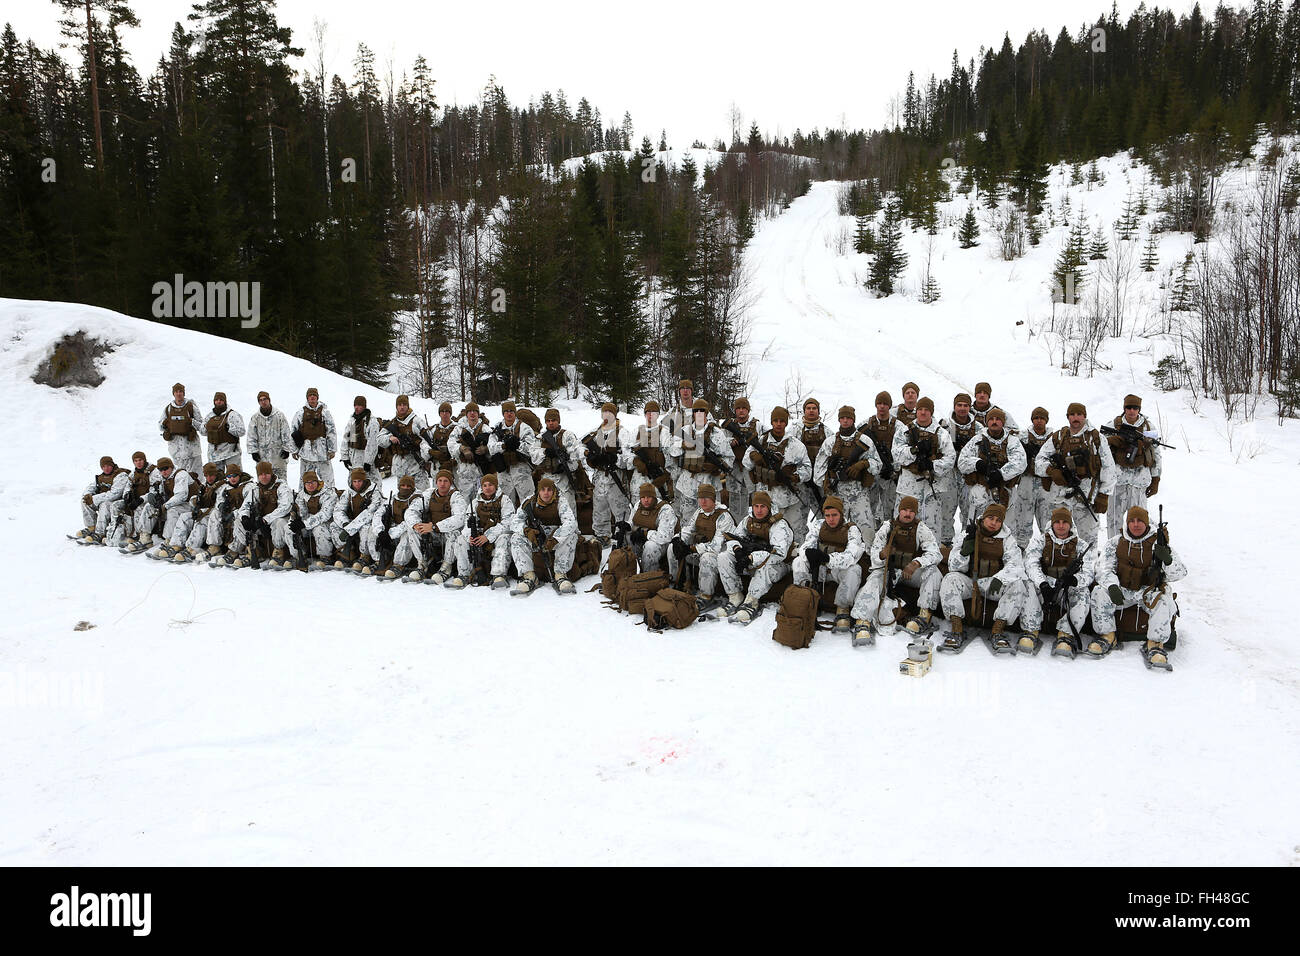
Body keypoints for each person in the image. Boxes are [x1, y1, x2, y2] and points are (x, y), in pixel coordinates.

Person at [1088, 505, 1186, 668]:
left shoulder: (1158, 544)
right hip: (1123, 591)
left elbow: (1180, 573)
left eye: (1140, 521)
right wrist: (1112, 586)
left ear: (1146, 523)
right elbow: (1103, 567)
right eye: (1131, 521)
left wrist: (1167, 560)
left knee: (1164, 600)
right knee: (1099, 591)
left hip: (1148, 593)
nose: (1135, 524)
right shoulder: (1116, 542)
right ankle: (1107, 636)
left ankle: (1155, 645)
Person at [851, 495, 944, 640]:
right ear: (899, 511)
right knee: (873, 581)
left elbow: (936, 554)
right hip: (889, 570)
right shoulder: (887, 527)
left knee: (934, 572)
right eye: (905, 510)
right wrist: (883, 554)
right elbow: (874, 554)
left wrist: (916, 563)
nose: (908, 514)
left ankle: (924, 616)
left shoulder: (921, 529)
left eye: (911, 511)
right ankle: (862, 621)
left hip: (910, 573)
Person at [939, 503, 1027, 651]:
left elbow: (1016, 564)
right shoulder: (969, 533)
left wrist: (1001, 578)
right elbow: (953, 566)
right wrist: (964, 552)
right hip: (970, 581)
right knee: (950, 579)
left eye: (998, 520)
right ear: (984, 518)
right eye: (991, 518)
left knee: (1018, 585)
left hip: (992, 584)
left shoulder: (1007, 538)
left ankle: (998, 630)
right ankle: (956, 629)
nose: (994, 523)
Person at [1033, 401, 1116, 546]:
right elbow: (1039, 461)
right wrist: (1052, 472)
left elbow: (1109, 468)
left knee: (1088, 542)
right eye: (1072, 414)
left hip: (1087, 499)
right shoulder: (1059, 437)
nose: (1075, 418)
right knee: (1057, 540)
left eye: (1079, 414)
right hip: (1060, 500)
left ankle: (1088, 568)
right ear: (1068, 417)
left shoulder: (1096, 438)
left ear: (1085, 416)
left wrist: (1104, 495)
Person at [1019, 507, 1095, 656]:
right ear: (1052, 524)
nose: (1061, 526)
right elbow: (1030, 564)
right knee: (1028, 584)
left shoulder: (1081, 545)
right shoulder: (1040, 541)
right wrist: (1043, 583)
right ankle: (1030, 630)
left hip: (1067, 587)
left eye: (1065, 522)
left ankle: (1066, 635)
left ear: (1070, 525)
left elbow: (1089, 571)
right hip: (1045, 584)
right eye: (1057, 522)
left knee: (1083, 593)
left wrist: (1075, 580)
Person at [715, 490, 795, 624]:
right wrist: (738, 550)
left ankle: (751, 602)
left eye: (762, 507)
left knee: (766, 565)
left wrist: (752, 557)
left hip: (778, 564)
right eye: (756, 506)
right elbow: (733, 537)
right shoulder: (748, 520)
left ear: (768, 508)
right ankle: (735, 597)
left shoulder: (779, 525)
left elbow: (779, 554)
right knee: (724, 556)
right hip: (752, 559)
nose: (759, 510)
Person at [791, 496, 865, 633]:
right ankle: (802, 598)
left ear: (841, 514)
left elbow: (851, 556)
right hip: (819, 571)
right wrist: (809, 554)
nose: (831, 519)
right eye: (827, 515)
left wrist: (828, 559)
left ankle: (842, 608)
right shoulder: (819, 525)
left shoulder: (851, 530)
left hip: (838, 572)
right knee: (798, 562)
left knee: (855, 569)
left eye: (835, 515)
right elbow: (805, 546)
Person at [743, 405, 813, 545]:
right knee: (767, 535)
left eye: (782, 421)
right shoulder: (761, 441)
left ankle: (796, 561)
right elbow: (746, 463)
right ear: (771, 422)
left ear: (786, 423)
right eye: (776, 421)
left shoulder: (796, 445)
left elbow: (807, 469)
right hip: (766, 502)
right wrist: (753, 455)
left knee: (795, 533)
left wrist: (795, 477)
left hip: (790, 500)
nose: (779, 424)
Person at [813, 404, 881, 545]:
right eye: (842, 418)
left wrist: (864, 464)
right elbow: (818, 471)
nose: (845, 421)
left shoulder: (865, 441)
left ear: (853, 420)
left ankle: (868, 559)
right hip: (837, 494)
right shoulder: (830, 442)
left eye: (848, 418)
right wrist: (828, 482)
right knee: (837, 529)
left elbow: (878, 465)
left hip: (859, 492)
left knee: (866, 529)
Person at [891, 397, 956, 534]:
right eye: (920, 409)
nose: (923, 412)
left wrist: (932, 465)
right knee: (903, 525)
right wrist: (913, 451)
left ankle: (931, 554)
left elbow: (950, 458)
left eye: (927, 410)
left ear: (931, 412)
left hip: (932, 487)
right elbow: (896, 453)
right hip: (908, 487)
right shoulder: (905, 431)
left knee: (931, 528)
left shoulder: (942, 434)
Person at [670, 398, 735, 529]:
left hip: (710, 483)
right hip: (688, 483)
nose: (699, 413)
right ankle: (686, 546)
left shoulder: (717, 433)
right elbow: (672, 451)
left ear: (706, 413)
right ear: (693, 413)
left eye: (702, 411)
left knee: (711, 520)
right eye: (696, 411)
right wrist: (683, 444)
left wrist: (717, 468)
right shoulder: (685, 431)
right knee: (687, 520)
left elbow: (729, 458)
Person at [667, 483, 735, 606]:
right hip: (701, 548)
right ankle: (677, 583)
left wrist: (691, 548)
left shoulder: (723, 516)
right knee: (673, 548)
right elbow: (689, 529)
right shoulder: (699, 512)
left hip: (722, 556)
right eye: (700, 498)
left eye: (706, 498)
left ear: (713, 500)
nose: (703, 501)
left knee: (707, 557)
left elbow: (716, 546)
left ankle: (706, 596)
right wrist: (677, 539)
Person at [510, 477, 580, 595]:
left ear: (554, 491)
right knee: (516, 538)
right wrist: (527, 531)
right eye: (543, 490)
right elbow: (514, 522)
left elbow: (571, 522)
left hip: (555, 538)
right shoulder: (529, 502)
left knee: (571, 535)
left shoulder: (561, 501)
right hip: (536, 538)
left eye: (549, 490)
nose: (546, 493)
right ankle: (529, 577)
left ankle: (560, 575)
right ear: (538, 491)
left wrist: (555, 539)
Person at [1105, 394, 1164, 531]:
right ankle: (1113, 550)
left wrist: (1156, 479)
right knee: (1114, 521)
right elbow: (1101, 451)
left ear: (1139, 409)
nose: (1132, 411)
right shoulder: (1113, 425)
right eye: (1129, 407)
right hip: (1117, 482)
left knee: (1139, 522)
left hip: (1139, 482)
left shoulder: (1148, 427)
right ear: (1124, 408)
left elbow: (1156, 455)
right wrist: (1111, 441)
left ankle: (1137, 550)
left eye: (1135, 408)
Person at [447, 472, 516, 589]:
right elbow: (467, 522)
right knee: (461, 539)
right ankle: (464, 574)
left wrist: (488, 536)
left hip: (495, 536)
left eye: (490, 485)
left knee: (505, 538)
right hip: (479, 536)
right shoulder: (475, 502)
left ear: (496, 486)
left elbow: (508, 522)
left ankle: (498, 575)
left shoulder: (504, 500)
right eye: (485, 485)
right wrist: (471, 536)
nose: (487, 488)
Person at [957, 406, 1027, 519]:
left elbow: (1020, 462)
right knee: (977, 528)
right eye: (991, 419)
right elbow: (962, 462)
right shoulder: (977, 440)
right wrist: (978, 464)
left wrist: (1001, 473)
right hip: (980, 493)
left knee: (1007, 529)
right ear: (987, 422)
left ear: (1003, 422)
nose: (994, 422)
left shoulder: (1012, 441)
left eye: (998, 419)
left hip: (1005, 491)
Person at [400, 468, 467, 582]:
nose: (442, 484)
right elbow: (411, 510)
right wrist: (416, 524)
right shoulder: (428, 494)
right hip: (432, 533)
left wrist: (435, 527)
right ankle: (422, 564)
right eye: (440, 480)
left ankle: (446, 567)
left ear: (450, 483)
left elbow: (459, 518)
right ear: (436, 482)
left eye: (446, 481)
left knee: (453, 532)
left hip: (447, 535)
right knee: (411, 529)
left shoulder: (456, 497)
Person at [581, 403, 633, 545]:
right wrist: (589, 455)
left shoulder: (622, 432)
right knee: (599, 511)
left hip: (615, 478)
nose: (607, 415)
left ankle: (624, 540)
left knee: (621, 511)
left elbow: (629, 459)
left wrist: (616, 459)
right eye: (605, 412)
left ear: (615, 415)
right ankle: (601, 538)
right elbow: (579, 448)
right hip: (599, 479)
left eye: (610, 412)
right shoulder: (595, 432)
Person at [230, 460, 293, 569]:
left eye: (266, 474)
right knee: (239, 521)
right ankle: (253, 551)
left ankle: (279, 552)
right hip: (261, 523)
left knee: (279, 522)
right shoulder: (255, 489)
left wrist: (265, 519)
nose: (264, 477)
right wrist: (245, 517)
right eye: (261, 474)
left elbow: (285, 507)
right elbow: (245, 506)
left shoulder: (282, 487)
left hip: (277, 522)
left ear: (271, 473)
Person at [938, 392, 980, 546]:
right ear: (954, 406)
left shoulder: (978, 428)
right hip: (949, 475)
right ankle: (945, 542)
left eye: (966, 405)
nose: (962, 408)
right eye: (959, 405)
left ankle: (967, 542)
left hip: (969, 476)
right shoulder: (945, 425)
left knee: (969, 510)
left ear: (970, 407)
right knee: (946, 510)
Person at [1009, 406, 1053, 547]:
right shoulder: (1022, 436)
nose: (1039, 421)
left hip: (1046, 482)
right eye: (1036, 418)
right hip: (1026, 481)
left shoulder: (1054, 438)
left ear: (1046, 420)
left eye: (1042, 418)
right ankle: (1021, 547)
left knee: (1047, 518)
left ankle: (1049, 548)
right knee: (1022, 517)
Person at [529, 408, 584, 514]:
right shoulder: (540, 438)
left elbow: (577, 454)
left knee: (569, 510)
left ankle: (572, 530)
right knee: (548, 510)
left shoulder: (567, 436)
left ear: (558, 421)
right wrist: (545, 452)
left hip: (564, 479)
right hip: (546, 479)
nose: (551, 423)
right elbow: (533, 456)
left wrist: (567, 457)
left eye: (553, 420)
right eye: (548, 421)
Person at [368, 474, 422, 578]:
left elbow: (410, 522)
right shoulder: (393, 498)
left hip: (406, 530)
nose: (405, 488)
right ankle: (378, 561)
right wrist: (380, 532)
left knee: (407, 534)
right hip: (392, 530)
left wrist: (390, 534)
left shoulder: (417, 500)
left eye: (408, 486)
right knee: (372, 529)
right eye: (403, 485)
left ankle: (398, 565)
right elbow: (378, 514)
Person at [617, 482, 679, 573]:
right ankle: (626, 572)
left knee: (651, 546)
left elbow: (665, 537)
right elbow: (632, 522)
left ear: (654, 497)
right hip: (642, 539)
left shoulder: (665, 509)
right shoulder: (639, 505)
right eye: (643, 497)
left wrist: (645, 533)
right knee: (624, 536)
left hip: (663, 544)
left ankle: (648, 576)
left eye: (649, 497)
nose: (646, 500)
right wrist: (627, 526)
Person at [283, 470, 338, 570]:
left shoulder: (329, 494)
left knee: (319, 528)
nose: (310, 485)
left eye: (313, 482)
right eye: (307, 483)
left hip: (326, 523)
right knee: (289, 528)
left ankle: (325, 556)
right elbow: (302, 513)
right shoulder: (301, 495)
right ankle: (299, 556)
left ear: (318, 482)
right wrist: (295, 520)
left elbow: (325, 515)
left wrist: (304, 524)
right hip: (307, 523)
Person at [332, 467, 384, 572]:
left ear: (364, 481)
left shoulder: (374, 493)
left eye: (359, 481)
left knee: (365, 528)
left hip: (370, 523)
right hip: (352, 523)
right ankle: (347, 553)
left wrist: (350, 528)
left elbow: (369, 513)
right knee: (333, 525)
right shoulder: (349, 492)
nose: (357, 484)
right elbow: (338, 510)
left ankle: (365, 556)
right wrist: (345, 523)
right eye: (354, 481)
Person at [140, 457, 193, 559]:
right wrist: (147, 499)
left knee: (172, 510)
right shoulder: (163, 478)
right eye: (160, 469)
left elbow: (182, 495)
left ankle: (169, 541)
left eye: (166, 468)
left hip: (188, 504)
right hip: (174, 503)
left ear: (171, 467)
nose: (163, 471)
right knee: (149, 507)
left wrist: (165, 506)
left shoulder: (181, 474)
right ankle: (145, 538)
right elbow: (156, 491)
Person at [860, 391, 899, 527]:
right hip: (871, 473)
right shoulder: (866, 425)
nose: (882, 406)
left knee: (890, 507)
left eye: (885, 404)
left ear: (889, 406)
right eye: (879, 403)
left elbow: (904, 447)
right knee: (869, 507)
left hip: (890, 474)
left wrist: (894, 468)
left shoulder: (898, 426)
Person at [488, 400, 538, 507]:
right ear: (503, 413)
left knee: (528, 500)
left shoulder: (524, 428)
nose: (509, 413)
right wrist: (503, 445)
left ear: (515, 413)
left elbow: (532, 449)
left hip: (521, 468)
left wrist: (518, 445)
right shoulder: (498, 428)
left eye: (511, 411)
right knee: (506, 502)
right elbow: (491, 447)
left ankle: (530, 522)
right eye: (506, 411)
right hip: (504, 470)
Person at [170, 463, 222, 562]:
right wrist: (195, 501)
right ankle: (176, 544)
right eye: (206, 475)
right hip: (205, 513)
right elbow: (195, 499)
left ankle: (192, 548)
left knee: (201, 520)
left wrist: (201, 511)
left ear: (215, 474)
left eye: (211, 475)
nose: (209, 478)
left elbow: (219, 506)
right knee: (184, 517)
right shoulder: (205, 485)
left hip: (216, 516)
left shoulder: (222, 485)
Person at [630, 401, 676, 508]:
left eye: (654, 412)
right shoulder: (637, 432)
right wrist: (635, 461)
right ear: (645, 414)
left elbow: (670, 456)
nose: (651, 414)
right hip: (639, 483)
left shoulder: (664, 432)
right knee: (638, 513)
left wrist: (665, 476)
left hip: (657, 481)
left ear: (658, 414)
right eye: (648, 412)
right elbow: (626, 454)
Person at [379, 394, 429, 492]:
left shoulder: (416, 421)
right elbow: (379, 438)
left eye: (404, 404)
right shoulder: (393, 423)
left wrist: (426, 457)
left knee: (422, 495)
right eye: (399, 405)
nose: (402, 407)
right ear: (396, 407)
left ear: (408, 406)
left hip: (416, 464)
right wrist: (390, 438)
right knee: (403, 495)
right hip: (400, 467)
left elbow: (427, 439)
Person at [207, 463, 253, 566]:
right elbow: (219, 501)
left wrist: (233, 513)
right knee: (214, 513)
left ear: (239, 476)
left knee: (238, 521)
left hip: (244, 516)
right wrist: (221, 506)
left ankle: (234, 550)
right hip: (229, 516)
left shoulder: (248, 486)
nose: (232, 479)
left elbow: (249, 506)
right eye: (229, 476)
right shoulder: (225, 487)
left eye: (234, 476)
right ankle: (214, 546)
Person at [291, 387, 337, 490]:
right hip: (306, 452)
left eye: (314, 395)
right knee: (305, 479)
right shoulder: (300, 413)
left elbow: (331, 431)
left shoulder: (325, 412)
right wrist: (294, 450)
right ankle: (302, 500)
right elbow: (293, 431)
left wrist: (332, 449)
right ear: (307, 398)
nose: (312, 397)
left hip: (322, 452)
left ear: (317, 397)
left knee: (327, 479)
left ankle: (331, 497)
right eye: (310, 395)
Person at [76, 455, 129, 544]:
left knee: (104, 504)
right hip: (103, 500)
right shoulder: (101, 477)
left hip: (118, 502)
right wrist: (87, 495)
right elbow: (91, 487)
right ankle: (91, 527)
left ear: (112, 465)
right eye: (103, 466)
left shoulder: (120, 475)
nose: (106, 468)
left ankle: (100, 532)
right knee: (84, 501)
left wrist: (93, 499)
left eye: (108, 466)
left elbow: (114, 494)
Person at [720, 397, 762, 505]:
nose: (741, 410)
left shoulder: (757, 425)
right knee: (735, 503)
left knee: (757, 501)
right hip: (734, 469)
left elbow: (764, 442)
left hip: (752, 470)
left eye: (744, 408)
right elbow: (720, 443)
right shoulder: (729, 427)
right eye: (738, 408)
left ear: (748, 410)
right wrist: (731, 442)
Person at [246, 391, 293, 484]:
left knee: (281, 482)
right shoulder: (255, 418)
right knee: (264, 482)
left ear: (269, 400)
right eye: (261, 400)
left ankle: (283, 498)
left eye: (265, 399)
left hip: (278, 456)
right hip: (262, 456)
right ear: (258, 402)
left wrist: (286, 449)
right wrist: (253, 451)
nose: (263, 402)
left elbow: (286, 433)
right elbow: (251, 435)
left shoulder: (279, 415)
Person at [114, 451, 157, 550]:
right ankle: (134, 534)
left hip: (150, 500)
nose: (138, 463)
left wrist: (142, 499)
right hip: (137, 499)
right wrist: (126, 495)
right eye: (136, 461)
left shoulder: (153, 471)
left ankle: (145, 538)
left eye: (140, 460)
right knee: (119, 506)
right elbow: (127, 486)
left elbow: (154, 491)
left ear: (144, 460)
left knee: (141, 507)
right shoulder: (134, 473)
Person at [158, 382, 203, 475]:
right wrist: (165, 423)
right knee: (180, 477)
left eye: (181, 391)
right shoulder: (169, 409)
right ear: (173, 393)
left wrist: (191, 422)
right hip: (176, 452)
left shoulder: (191, 407)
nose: (179, 394)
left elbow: (201, 426)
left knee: (197, 477)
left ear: (184, 393)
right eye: (176, 392)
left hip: (192, 451)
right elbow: (160, 426)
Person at [789, 397, 828, 488]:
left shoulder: (826, 431)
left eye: (814, 408)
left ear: (818, 411)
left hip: (820, 477)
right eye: (808, 408)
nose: (811, 411)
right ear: (804, 411)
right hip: (800, 477)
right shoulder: (794, 429)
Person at [203, 390, 245, 472]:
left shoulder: (232, 415)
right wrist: (207, 427)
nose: (218, 402)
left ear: (225, 401)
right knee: (217, 480)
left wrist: (229, 428)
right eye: (216, 400)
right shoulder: (209, 416)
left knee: (235, 477)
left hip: (231, 453)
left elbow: (242, 431)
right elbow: (202, 431)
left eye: (221, 400)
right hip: (214, 454)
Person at [341, 395, 380, 479]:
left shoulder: (372, 422)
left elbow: (373, 443)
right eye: (355, 405)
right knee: (354, 482)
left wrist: (368, 462)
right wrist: (345, 457)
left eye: (359, 405)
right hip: (354, 459)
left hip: (366, 458)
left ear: (364, 406)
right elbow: (346, 439)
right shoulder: (352, 420)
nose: (357, 407)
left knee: (372, 482)